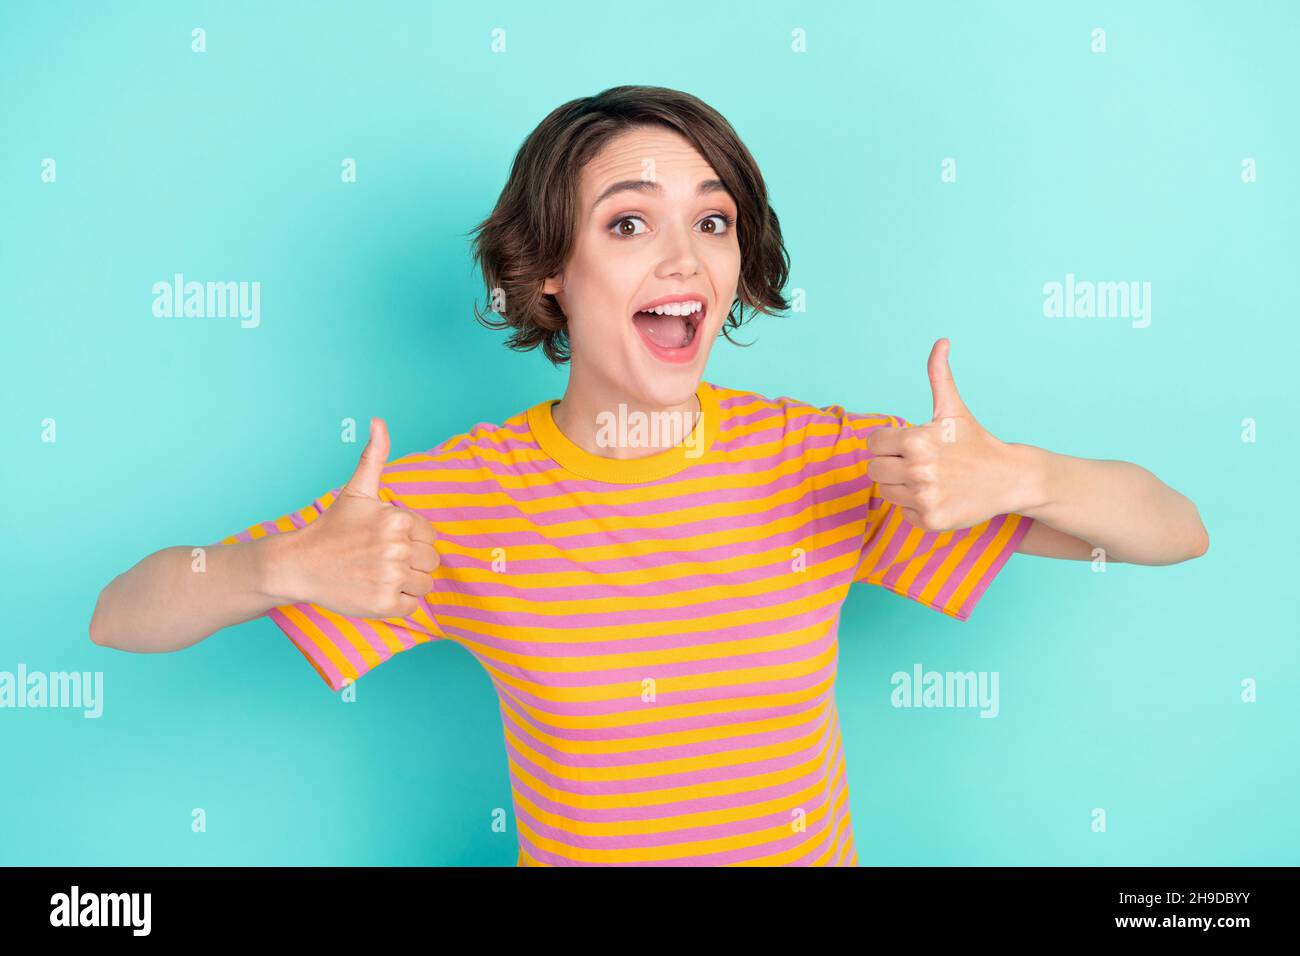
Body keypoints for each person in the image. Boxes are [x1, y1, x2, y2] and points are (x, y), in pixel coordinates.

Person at [89, 85, 1209, 866]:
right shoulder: (451, 501)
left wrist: (1017, 472)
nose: (684, 258)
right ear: (546, 279)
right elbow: (120, 613)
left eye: (712, 221)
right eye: (629, 222)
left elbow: (1172, 529)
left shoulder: (826, 460)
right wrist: (273, 565)